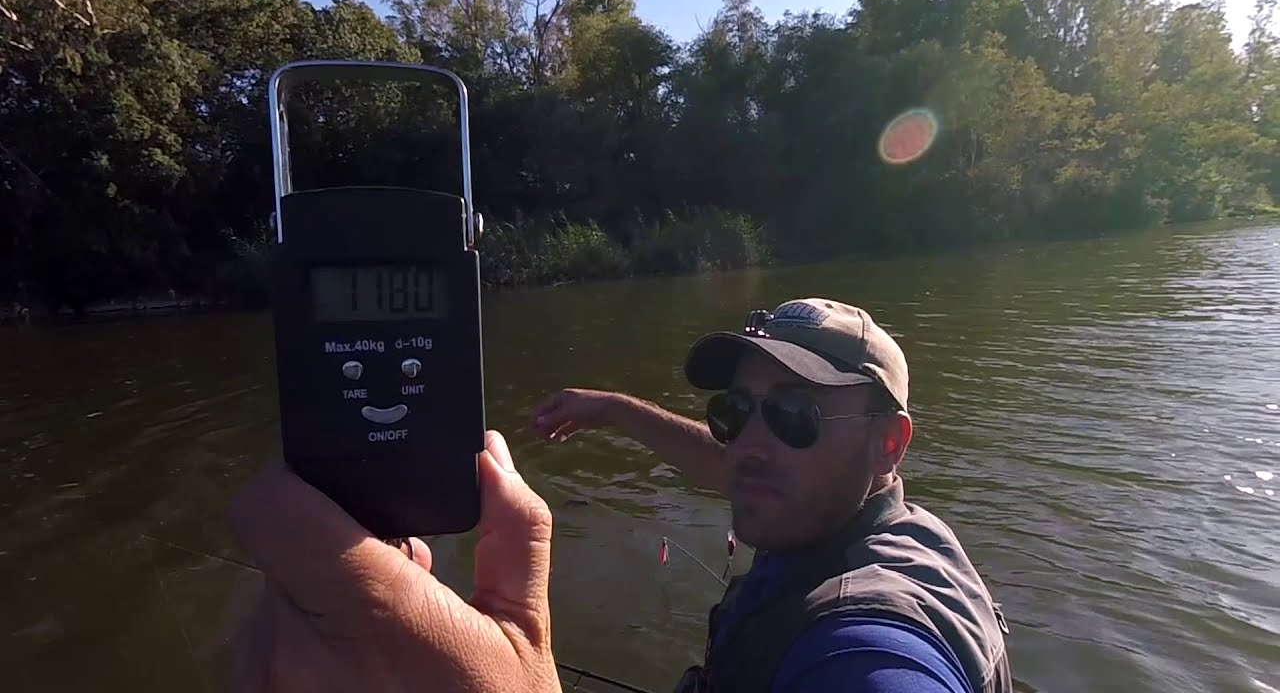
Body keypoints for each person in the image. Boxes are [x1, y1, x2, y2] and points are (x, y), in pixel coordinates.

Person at [227, 297, 1011, 693]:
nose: (750, 442)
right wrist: (610, 409)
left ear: (889, 442)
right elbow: (727, 463)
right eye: (735, 411)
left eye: (797, 414)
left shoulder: (873, 636)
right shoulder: (837, 502)